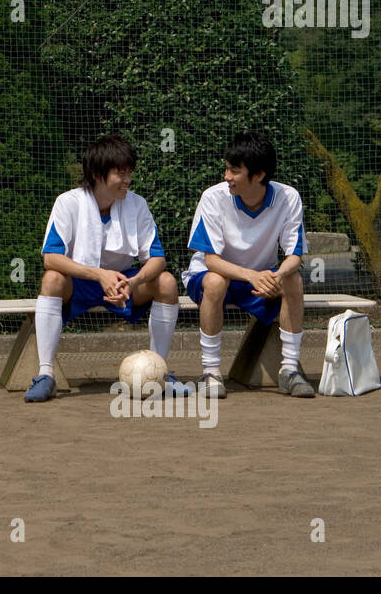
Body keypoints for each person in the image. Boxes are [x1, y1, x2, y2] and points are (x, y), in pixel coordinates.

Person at [26, 135, 182, 402]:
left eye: (129, 173)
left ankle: (161, 374)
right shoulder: (68, 202)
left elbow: (157, 259)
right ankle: (46, 375)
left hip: (125, 281)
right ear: (98, 175)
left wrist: (133, 283)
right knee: (52, 279)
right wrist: (99, 275)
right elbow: (51, 257)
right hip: (82, 280)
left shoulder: (138, 204)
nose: (128, 180)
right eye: (120, 174)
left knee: (166, 282)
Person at [181, 130, 312, 399]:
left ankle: (289, 371)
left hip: (259, 279)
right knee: (216, 281)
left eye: (234, 171)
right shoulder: (213, 197)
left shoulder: (289, 198)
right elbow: (211, 260)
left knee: (293, 279)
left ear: (259, 175)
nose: (226, 177)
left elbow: (294, 256)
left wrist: (276, 278)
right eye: (227, 169)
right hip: (212, 275)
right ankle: (211, 372)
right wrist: (252, 276)